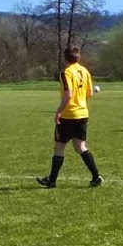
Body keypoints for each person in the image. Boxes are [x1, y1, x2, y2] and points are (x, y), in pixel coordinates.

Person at [37, 46, 103, 188]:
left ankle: (52, 181)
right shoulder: (85, 71)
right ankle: (96, 177)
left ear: (65, 58)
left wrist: (58, 112)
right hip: (83, 114)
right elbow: (90, 93)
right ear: (78, 57)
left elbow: (68, 95)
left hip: (68, 115)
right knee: (80, 147)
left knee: (59, 147)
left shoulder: (66, 73)